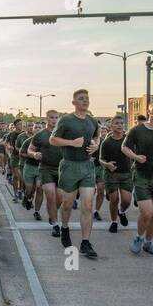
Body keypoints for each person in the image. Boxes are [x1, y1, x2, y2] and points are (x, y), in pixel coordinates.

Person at [50, 89, 102, 260]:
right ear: (74, 102)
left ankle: (85, 242)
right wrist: (72, 143)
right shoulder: (66, 120)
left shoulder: (92, 121)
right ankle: (64, 227)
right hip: (69, 166)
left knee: (87, 205)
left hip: (87, 166)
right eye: (81, 99)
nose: (85, 101)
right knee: (67, 204)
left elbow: (97, 136)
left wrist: (95, 145)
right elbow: (53, 140)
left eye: (87, 98)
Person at [123, 98, 153, 256]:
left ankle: (148, 242)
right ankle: (138, 237)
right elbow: (124, 147)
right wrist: (136, 157)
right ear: (149, 111)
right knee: (147, 212)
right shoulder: (137, 130)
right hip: (142, 175)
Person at [30, 109, 64, 237]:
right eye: (51, 117)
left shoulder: (63, 134)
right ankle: (55, 225)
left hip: (61, 169)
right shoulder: (40, 135)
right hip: (45, 169)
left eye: (56, 117)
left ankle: (52, 214)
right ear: (46, 119)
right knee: (50, 195)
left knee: (59, 198)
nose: (54, 120)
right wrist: (34, 154)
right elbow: (30, 149)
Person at [99, 115, 133, 233]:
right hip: (111, 175)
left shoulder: (128, 140)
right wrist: (107, 165)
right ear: (111, 126)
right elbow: (101, 159)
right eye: (117, 123)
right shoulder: (107, 142)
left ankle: (122, 212)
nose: (119, 125)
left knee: (127, 201)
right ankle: (114, 222)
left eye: (121, 123)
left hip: (127, 174)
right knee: (114, 199)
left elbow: (134, 154)